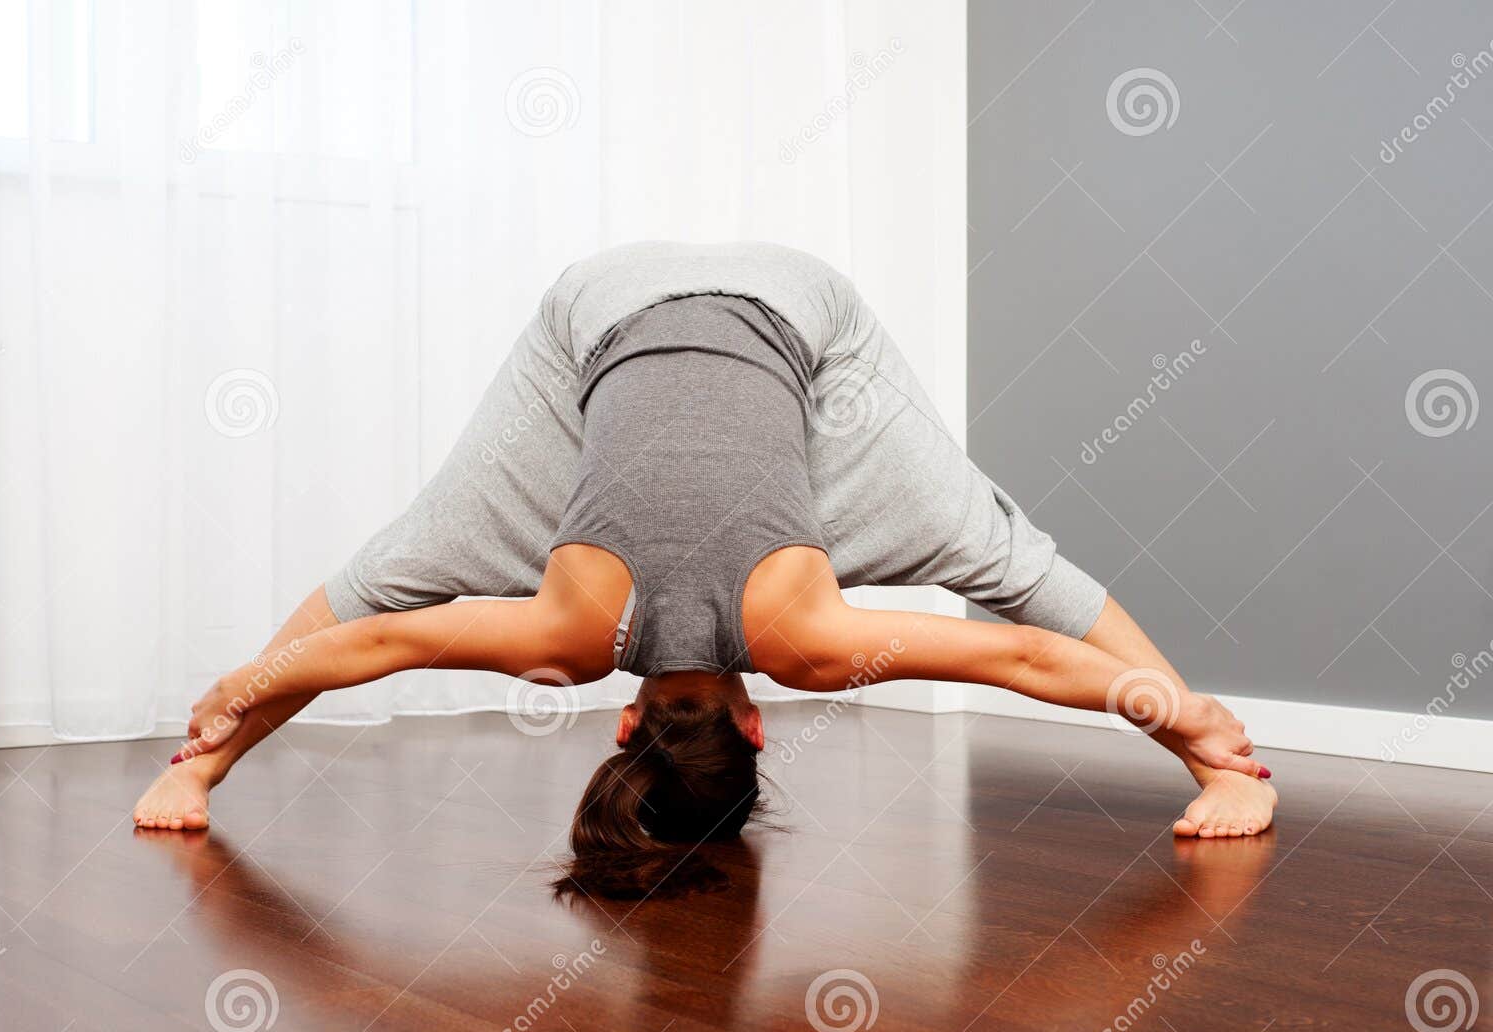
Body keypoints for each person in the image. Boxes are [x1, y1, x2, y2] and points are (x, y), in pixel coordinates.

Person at [133, 242, 1277, 897]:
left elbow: (1024, 654)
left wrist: (1193, 724)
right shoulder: (567, 636)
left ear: (760, 728)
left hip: (763, 303)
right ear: (622, 728)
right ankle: (196, 776)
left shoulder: (813, 642)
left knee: (993, 555)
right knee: (399, 569)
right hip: (615, 306)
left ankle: (1222, 765)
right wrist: (229, 697)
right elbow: (374, 641)